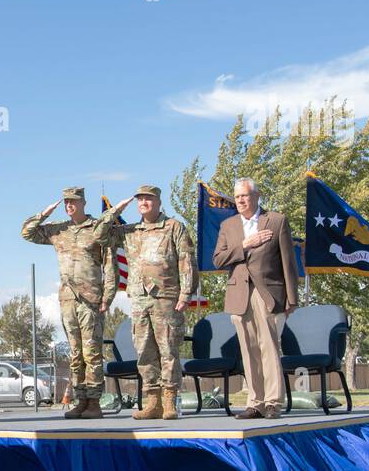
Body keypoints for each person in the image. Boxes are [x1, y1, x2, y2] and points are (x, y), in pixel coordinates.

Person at [21, 186, 120, 418]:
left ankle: (94, 402)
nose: (69, 206)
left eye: (73, 201)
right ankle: (81, 400)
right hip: (68, 299)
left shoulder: (97, 228)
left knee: (92, 353)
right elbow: (27, 233)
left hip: (91, 300)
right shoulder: (59, 230)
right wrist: (43, 214)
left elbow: (110, 265)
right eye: (66, 202)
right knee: (75, 354)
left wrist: (108, 297)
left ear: (84, 203)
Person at [103, 186, 196, 420]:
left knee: (168, 351)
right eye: (140, 199)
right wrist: (115, 211)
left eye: (149, 198)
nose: (144, 202)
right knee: (144, 351)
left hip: (166, 298)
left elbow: (187, 261)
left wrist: (185, 294)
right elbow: (99, 234)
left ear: (158, 201)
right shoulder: (130, 230)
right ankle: (152, 400)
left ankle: (169, 400)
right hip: (139, 299)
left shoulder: (173, 227)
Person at [212, 178, 299, 419]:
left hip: (268, 293)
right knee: (248, 350)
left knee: (269, 347)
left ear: (256, 196)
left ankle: (272, 402)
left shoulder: (276, 220)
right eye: (237, 196)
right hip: (239, 294)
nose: (240, 200)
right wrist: (245, 244)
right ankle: (255, 402)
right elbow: (218, 260)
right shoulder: (228, 226)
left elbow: (289, 263)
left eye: (245, 196)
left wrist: (291, 299)